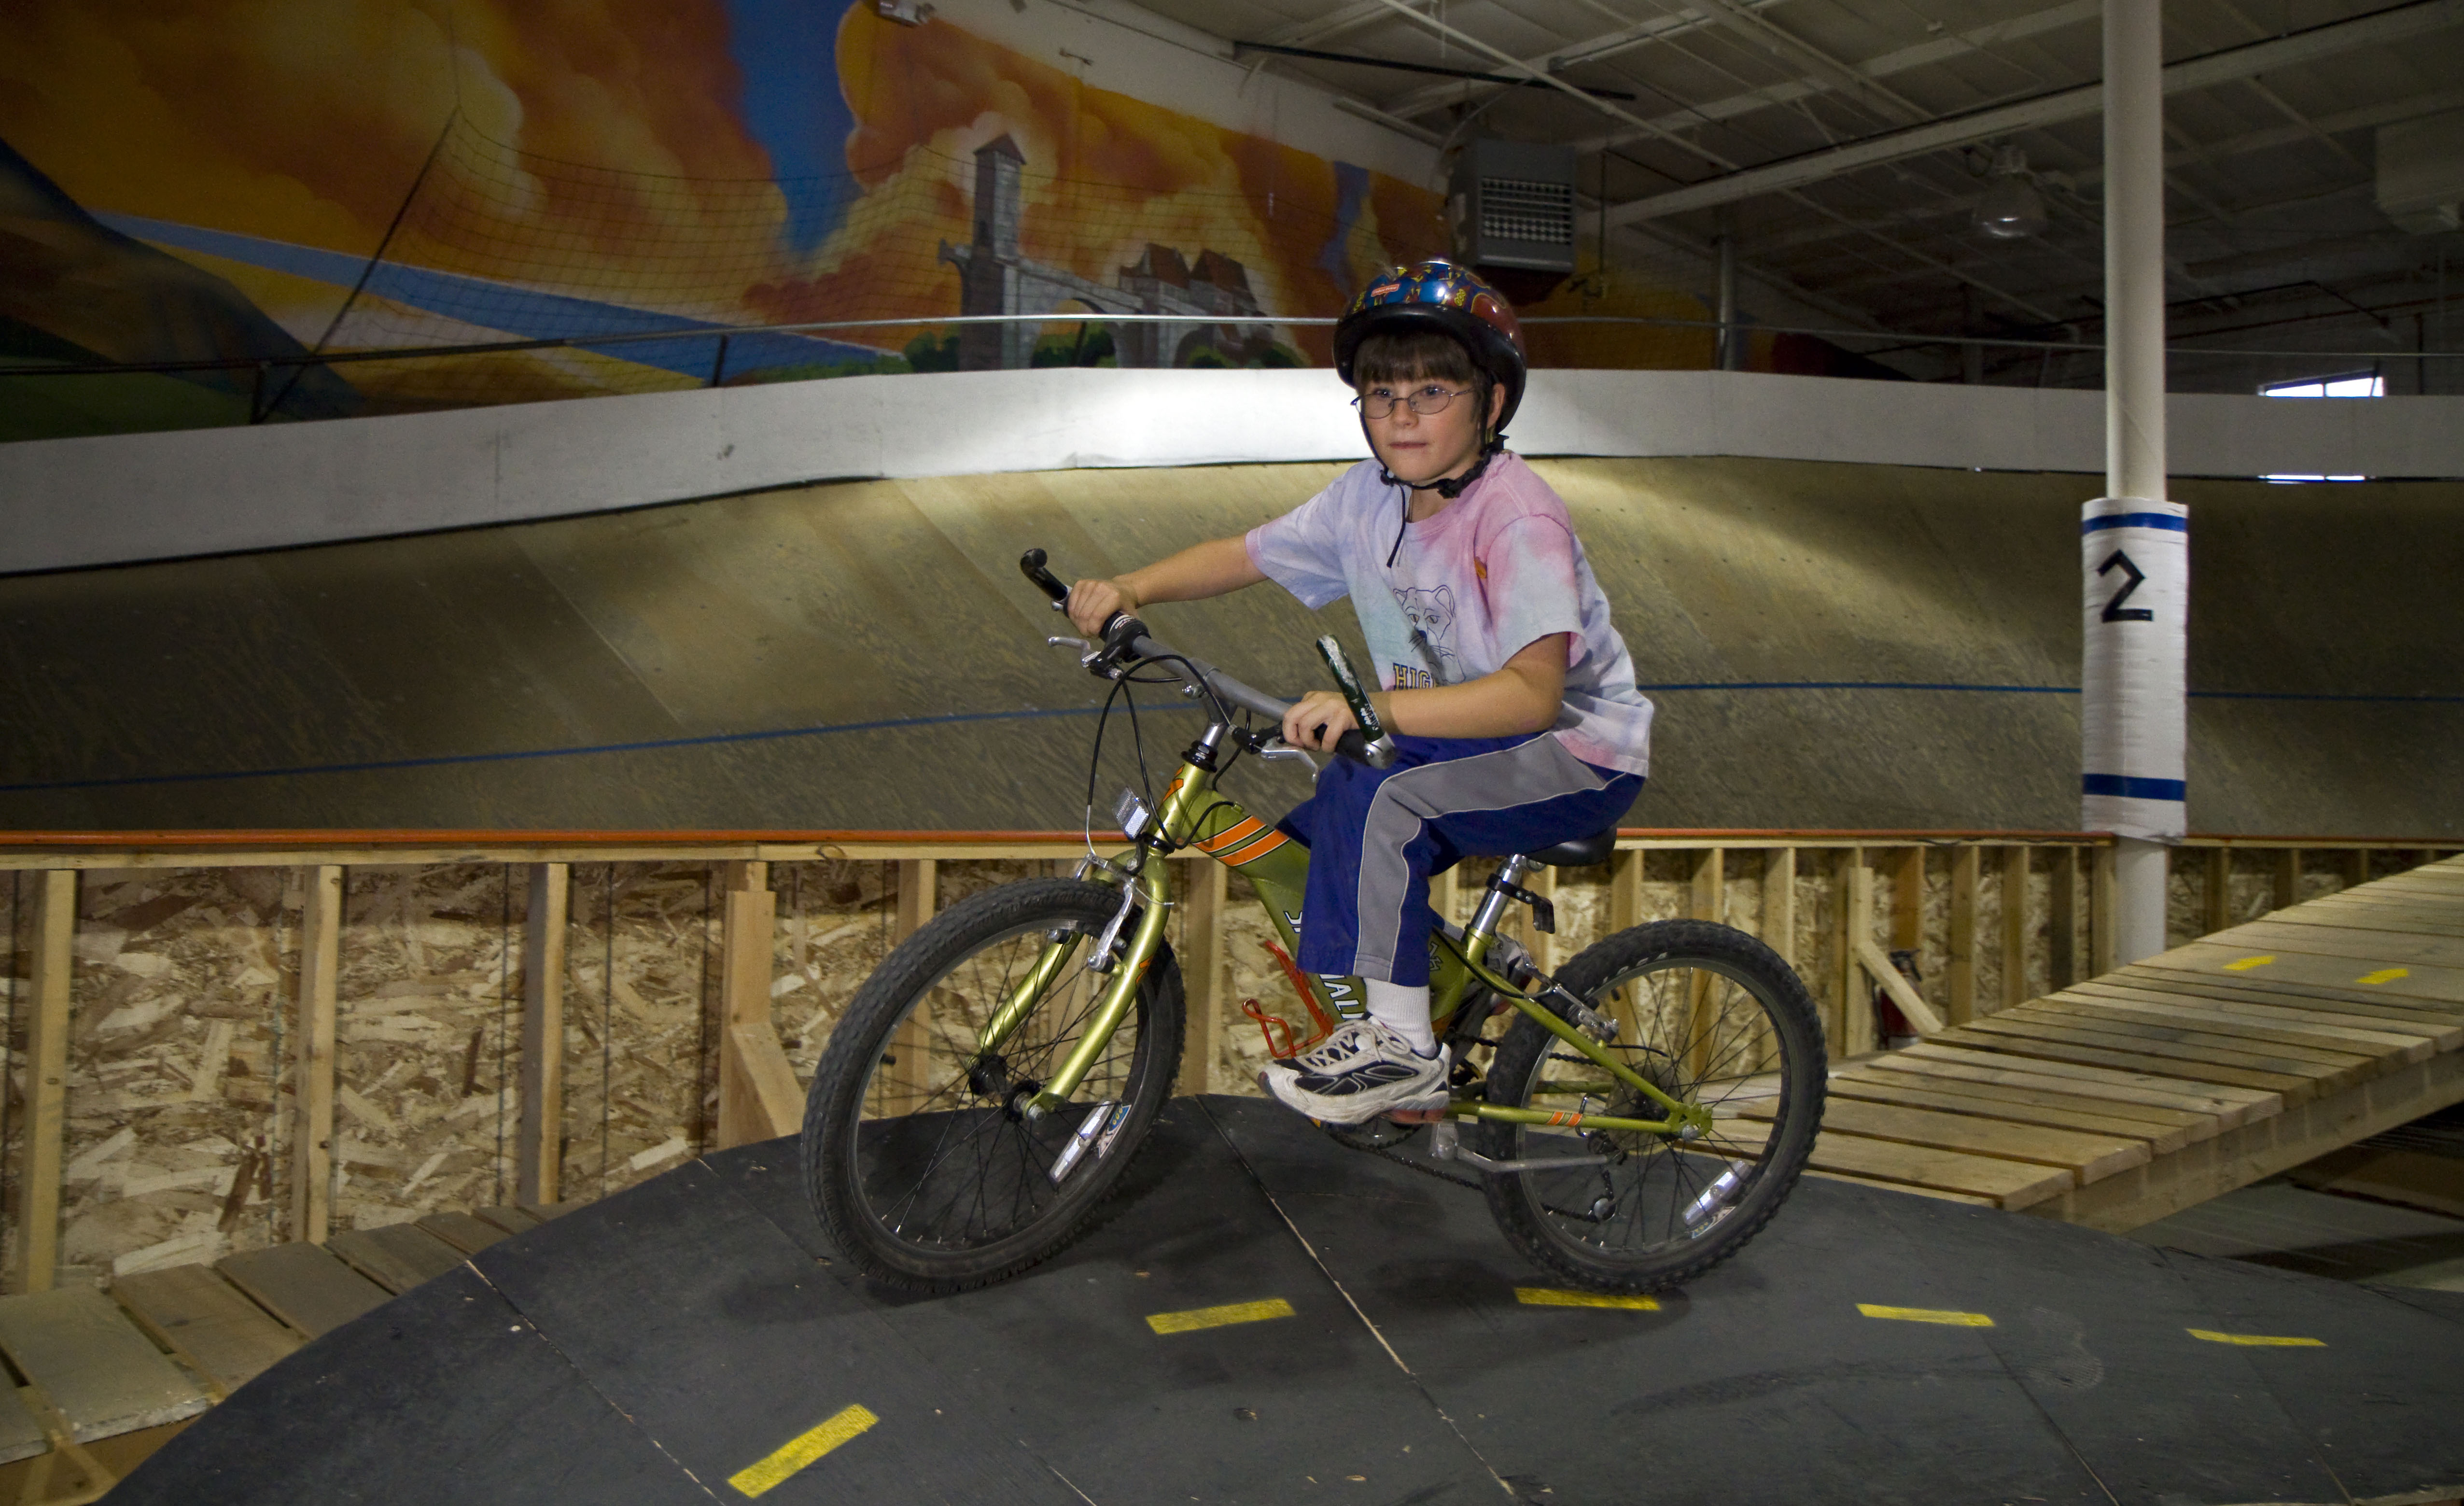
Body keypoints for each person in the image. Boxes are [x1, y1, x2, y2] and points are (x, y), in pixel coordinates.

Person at [1066, 260, 1655, 1125]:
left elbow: (1532, 697)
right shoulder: (1366, 501)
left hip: (1576, 749)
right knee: (1319, 839)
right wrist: (1132, 588)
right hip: (1459, 738)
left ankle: (1403, 1049)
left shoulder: (1517, 518)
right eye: (1381, 394)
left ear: (1491, 404)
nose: (1403, 415)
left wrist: (1372, 711)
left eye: (1432, 391)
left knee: (1382, 802)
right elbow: (1245, 554)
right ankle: (1430, 996)